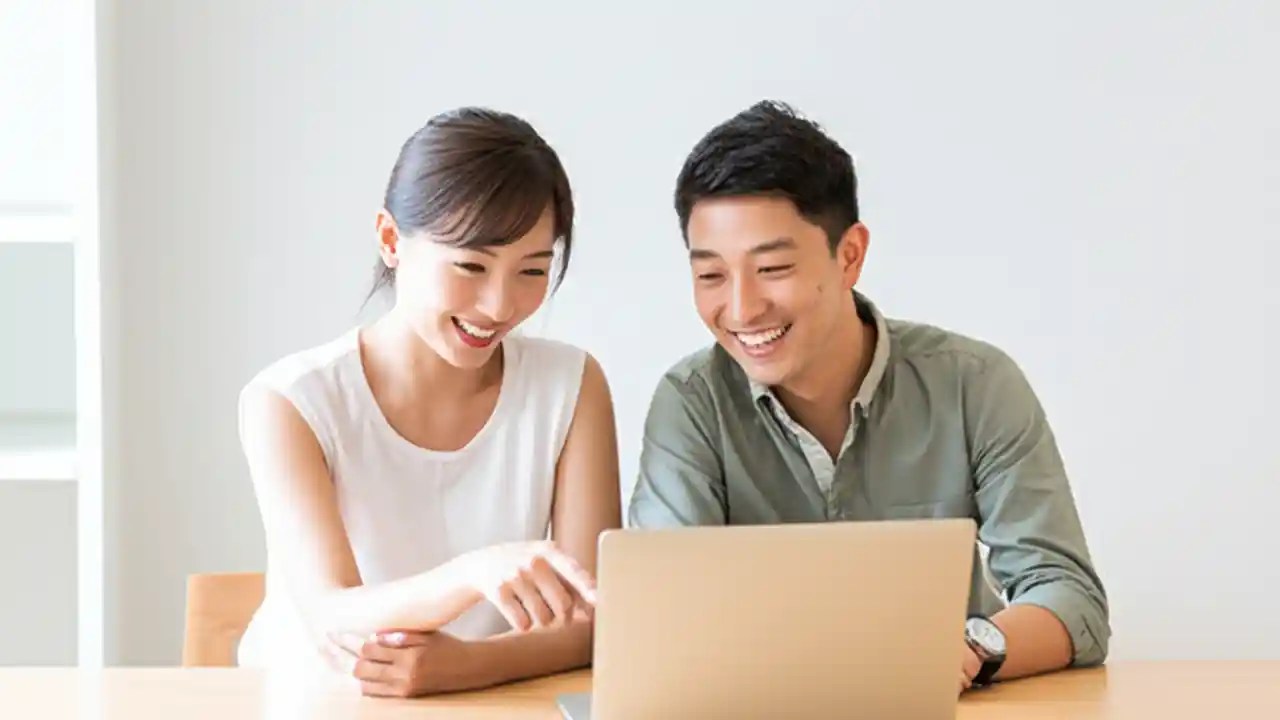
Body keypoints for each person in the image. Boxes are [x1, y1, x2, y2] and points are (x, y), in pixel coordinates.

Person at [629, 100, 1110, 693]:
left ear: (850, 254)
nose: (742, 307)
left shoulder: (974, 383)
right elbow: (665, 615)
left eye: (773, 267)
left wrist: (969, 648)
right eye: (711, 276)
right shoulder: (691, 403)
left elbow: (1071, 599)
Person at [236, 107, 622, 697]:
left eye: (532, 270)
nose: (499, 305)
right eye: (471, 265)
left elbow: (594, 618)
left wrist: (468, 664)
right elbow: (332, 614)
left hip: (495, 703)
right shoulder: (290, 400)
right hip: (317, 700)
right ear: (391, 240)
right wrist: (473, 574)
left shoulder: (570, 385)